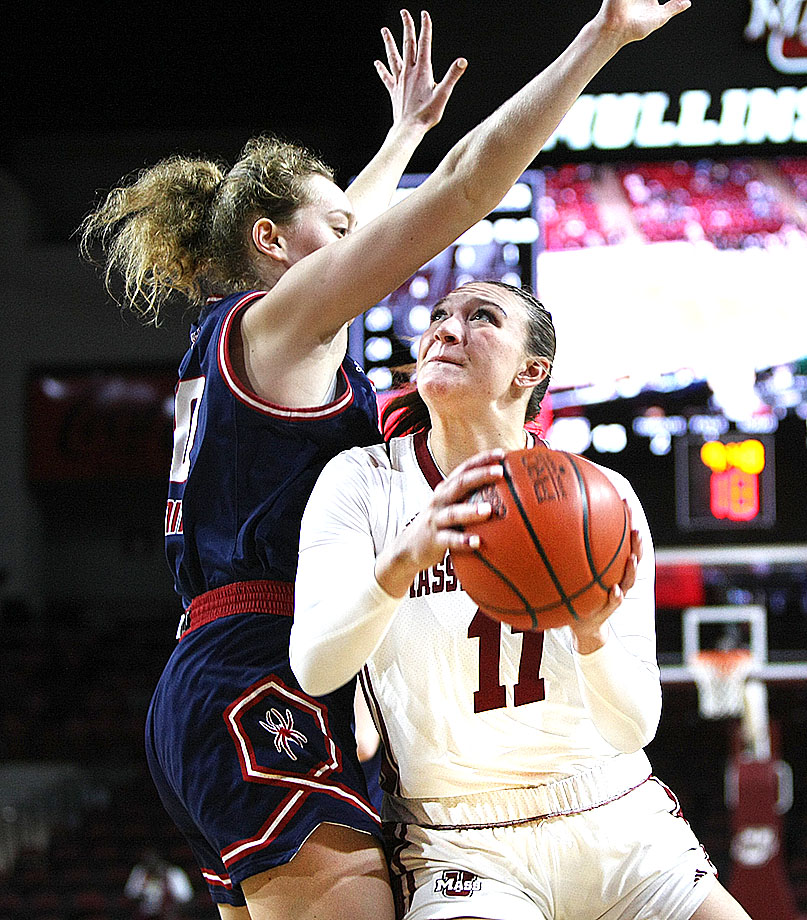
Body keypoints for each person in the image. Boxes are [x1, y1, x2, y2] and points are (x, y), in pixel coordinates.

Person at [79, 3, 690, 918]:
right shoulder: (282, 325)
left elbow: (344, 215)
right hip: (264, 669)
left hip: (220, 671)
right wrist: (598, 42)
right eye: (342, 228)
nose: (365, 236)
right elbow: (462, 186)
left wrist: (400, 130)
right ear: (272, 244)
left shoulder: (238, 340)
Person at [291, 280, 753, 920]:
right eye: (440, 317)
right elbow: (316, 668)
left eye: (481, 318)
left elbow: (633, 726)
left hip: (616, 819)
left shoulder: (602, 500)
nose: (446, 330)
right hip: (461, 845)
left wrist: (592, 636)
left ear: (531, 371)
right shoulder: (362, 482)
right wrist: (400, 562)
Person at [124, 849, 195, 920]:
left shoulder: (174, 873)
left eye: (154, 859)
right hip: (145, 914)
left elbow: (185, 898)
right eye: (148, 860)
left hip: (169, 913)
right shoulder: (140, 872)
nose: (151, 862)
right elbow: (131, 895)